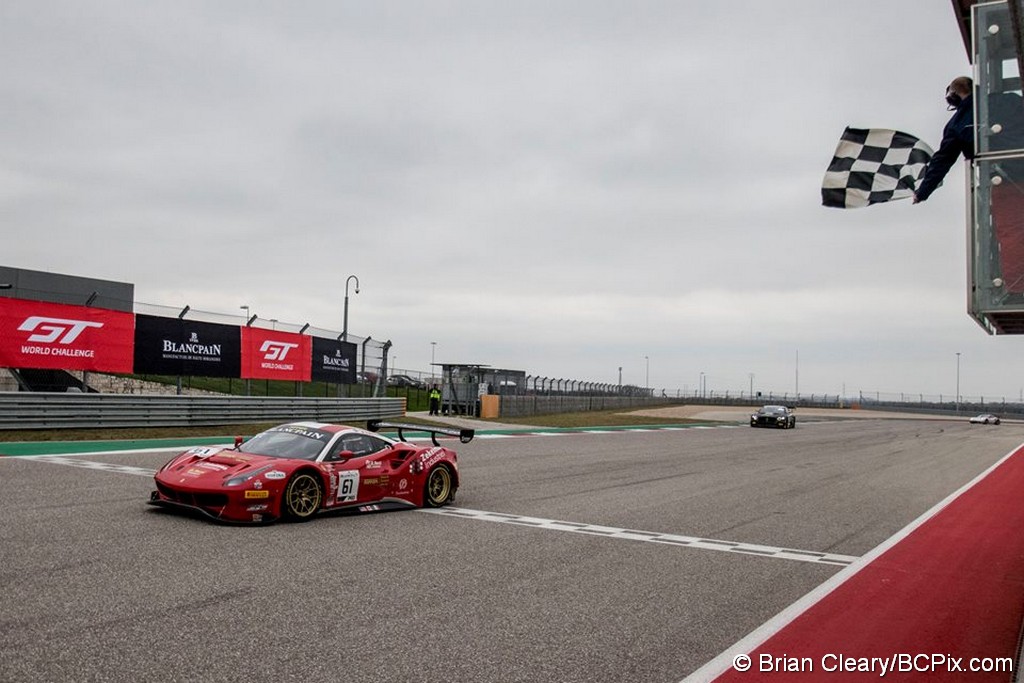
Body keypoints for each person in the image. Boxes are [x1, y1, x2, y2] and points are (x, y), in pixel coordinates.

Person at [914, 76, 975, 203]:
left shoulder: (957, 123)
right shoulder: (1007, 100)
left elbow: (943, 160)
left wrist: (922, 192)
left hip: (1000, 176)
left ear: (953, 97)